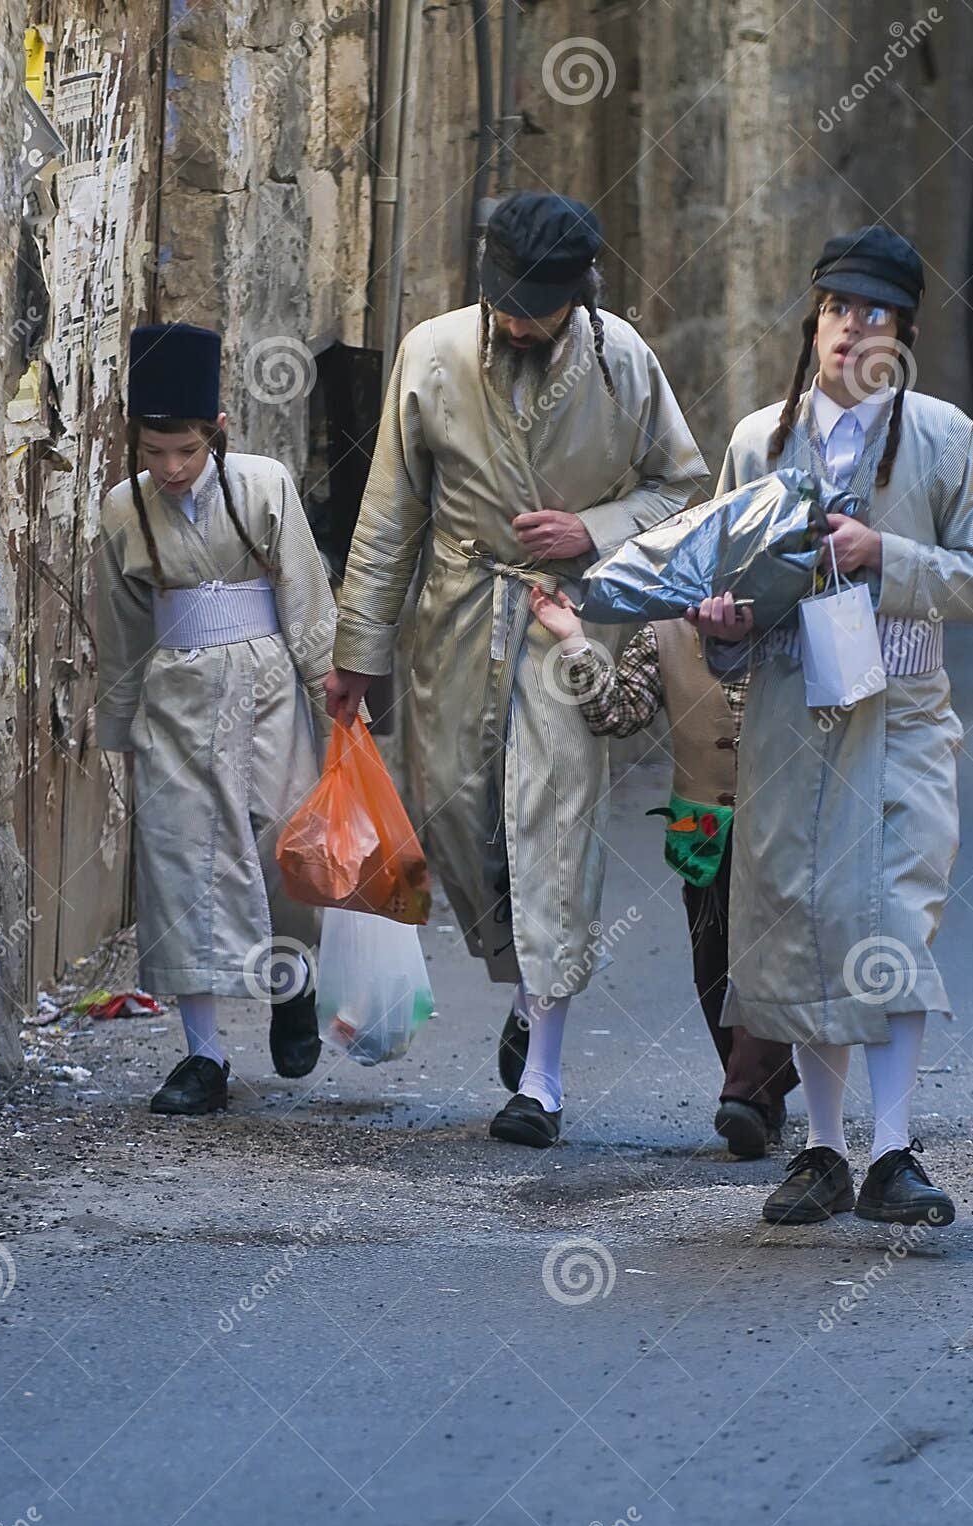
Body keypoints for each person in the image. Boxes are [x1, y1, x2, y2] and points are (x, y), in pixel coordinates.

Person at [325, 192, 706, 1148]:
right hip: (453, 616)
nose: (512, 320)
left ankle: (542, 1073)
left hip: (569, 620)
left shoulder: (626, 366)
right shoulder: (432, 352)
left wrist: (593, 530)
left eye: (532, 306)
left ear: (579, 296)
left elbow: (679, 490)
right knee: (454, 816)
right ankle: (523, 978)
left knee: (550, 822)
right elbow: (388, 514)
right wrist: (356, 656)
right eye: (502, 301)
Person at [690, 226, 973, 1225]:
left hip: (904, 713)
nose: (850, 329)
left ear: (901, 333)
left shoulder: (945, 439)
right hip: (791, 715)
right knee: (802, 930)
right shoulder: (757, 441)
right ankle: (824, 1153)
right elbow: (718, 582)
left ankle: (894, 1149)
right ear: (813, 324)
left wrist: (888, 554)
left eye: (871, 313)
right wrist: (728, 626)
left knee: (896, 920)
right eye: (836, 310)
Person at [95, 323, 336, 1115]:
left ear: (216, 434)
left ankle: (291, 984)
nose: (170, 468)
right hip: (174, 694)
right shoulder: (122, 512)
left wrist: (327, 693)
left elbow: (302, 587)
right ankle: (203, 1054)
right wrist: (121, 727)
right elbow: (121, 631)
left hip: (266, 681)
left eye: (187, 451)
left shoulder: (264, 486)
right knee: (179, 862)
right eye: (155, 451)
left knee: (283, 844)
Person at [530, 587, 798, 1158]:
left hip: (783, 819)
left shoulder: (793, 620)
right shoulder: (665, 632)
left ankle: (747, 1093)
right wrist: (573, 640)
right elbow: (616, 713)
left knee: (769, 952)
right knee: (713, 963)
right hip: (699, 825)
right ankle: (760, 1088)